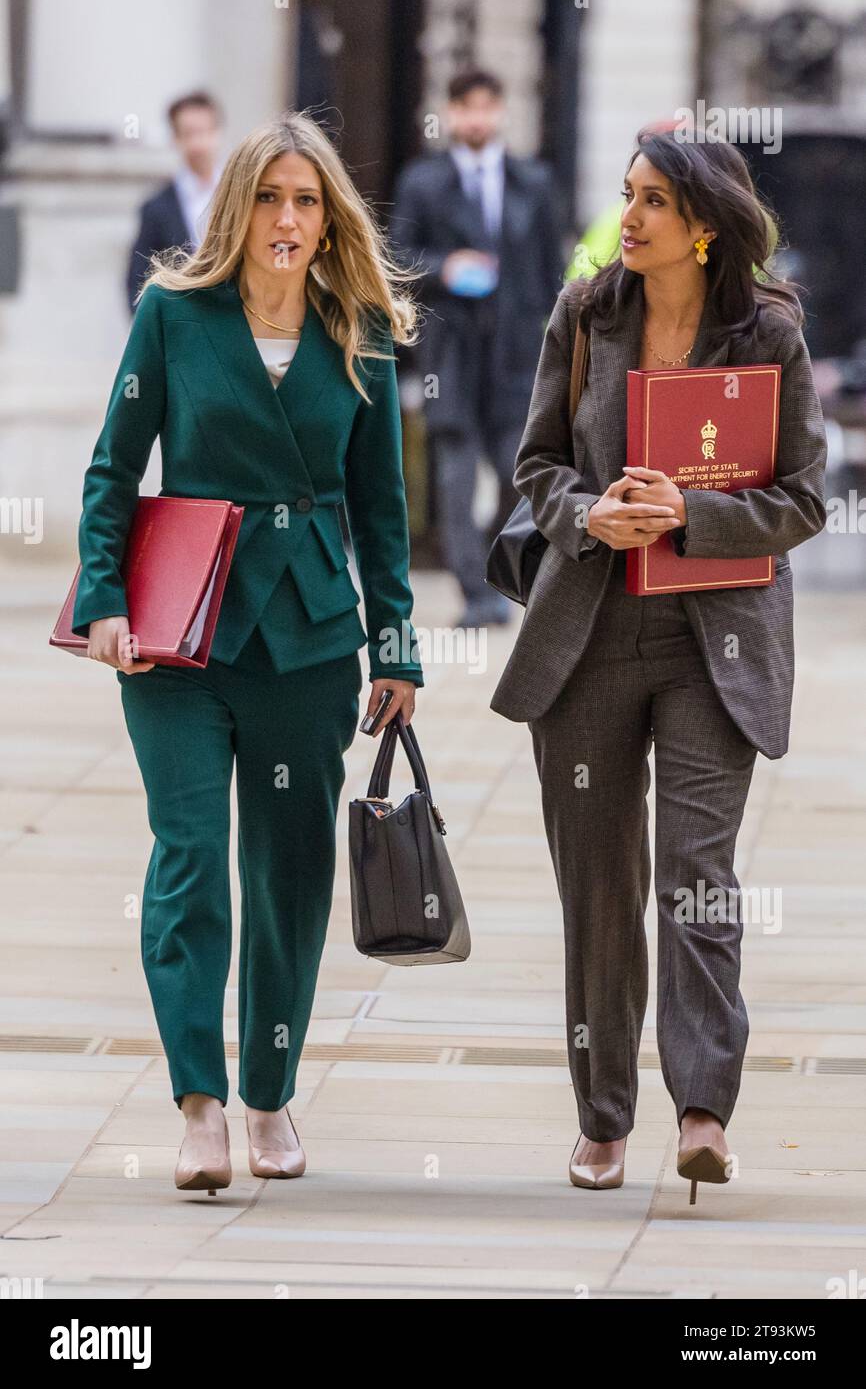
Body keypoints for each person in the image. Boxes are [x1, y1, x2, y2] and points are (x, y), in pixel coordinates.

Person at [72, 109, 424, 1194]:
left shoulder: (357, 326)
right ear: (237, 209)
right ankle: (199, 1104)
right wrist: (101, 599)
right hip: (182, 634)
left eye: (305, 200)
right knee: (188, 863)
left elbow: (381, 507)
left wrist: (396, 646)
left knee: (287, 871)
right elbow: (110, 468)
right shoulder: (174, 316)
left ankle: (269, 1092)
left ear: (329, 220)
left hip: (309, 639)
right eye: (268, 198)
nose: (286, 217)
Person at [490, 129, 827, 1204]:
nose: (626, 218)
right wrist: (591, 512)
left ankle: (700, 1108)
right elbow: (534, 462)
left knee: (696, 875)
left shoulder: (767, 334)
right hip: (587, 634)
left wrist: (694, 512)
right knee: (597, 886)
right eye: (624, 196)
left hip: (712, 643)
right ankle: (600, 1117)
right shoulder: (585, 315)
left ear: (703, 225)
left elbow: (804, 497)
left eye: (648, 202)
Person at [391, 68, 565, 628]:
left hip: (514, 358)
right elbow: (396, 260)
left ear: (501, 111)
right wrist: (447, 267)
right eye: (466, 108)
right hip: (451, 356)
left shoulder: (533, 182)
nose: (477, 119)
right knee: (455, 479)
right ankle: (474, 593)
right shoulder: (422, 182)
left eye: (486, 107)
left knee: (523, 474)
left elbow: (548, 276)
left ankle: (499, 575)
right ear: (451, 112)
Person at [125, 91, 225, 314]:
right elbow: (138, 282)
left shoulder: (240, 194)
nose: (198, 143)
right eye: (188, 133)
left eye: (204, 132)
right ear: (175, 138)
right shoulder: (156, 208)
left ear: (218, 132)